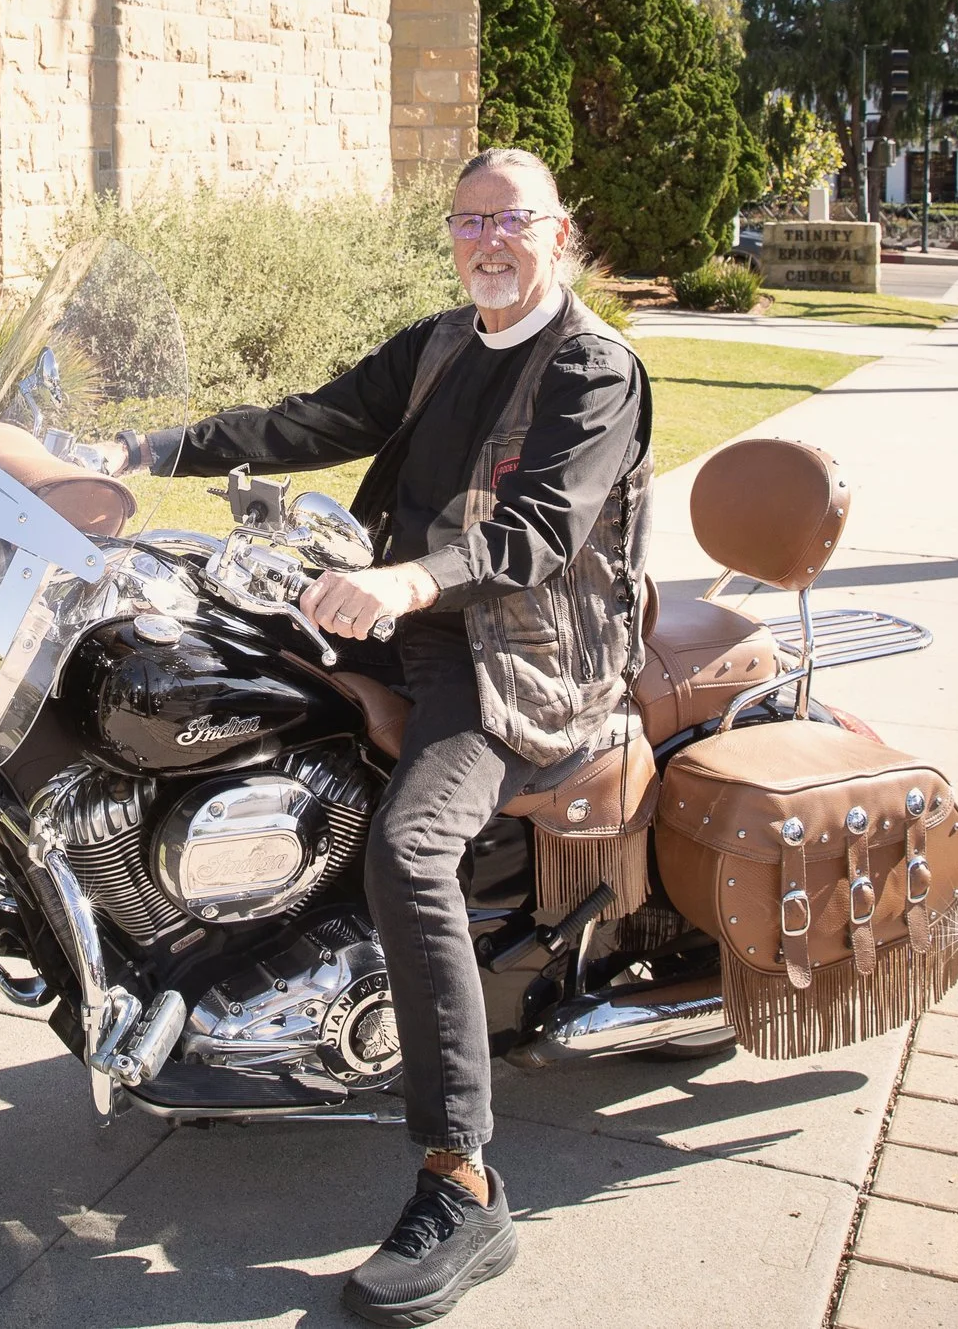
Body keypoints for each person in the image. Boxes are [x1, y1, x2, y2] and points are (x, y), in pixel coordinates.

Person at [107, 148, 652, 1326]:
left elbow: (539, 532)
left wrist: (409, 583)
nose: (487, 241)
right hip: (401, 615)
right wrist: (146, 452)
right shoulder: (445, 341)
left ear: (558, 232)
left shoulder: (593, 367)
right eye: (468, 221)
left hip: (518, 649)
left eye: (511, 220)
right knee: (198, 676)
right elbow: (310, 419)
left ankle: (461, 1176)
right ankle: (225, 979)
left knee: (408, 849)